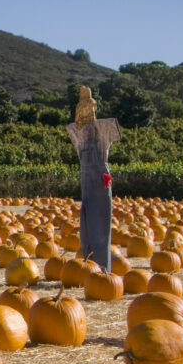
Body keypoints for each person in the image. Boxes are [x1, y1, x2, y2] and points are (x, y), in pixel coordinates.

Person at [66, 87, 120, 272]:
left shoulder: (104, 129)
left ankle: (102, 267)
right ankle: (90, 263)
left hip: (99, 177)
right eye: (83, 108)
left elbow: (105, 151)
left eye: (89, 107)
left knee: (101, 222)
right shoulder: (77, 132)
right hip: (87, 179)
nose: (87, 111)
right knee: (87, 223)